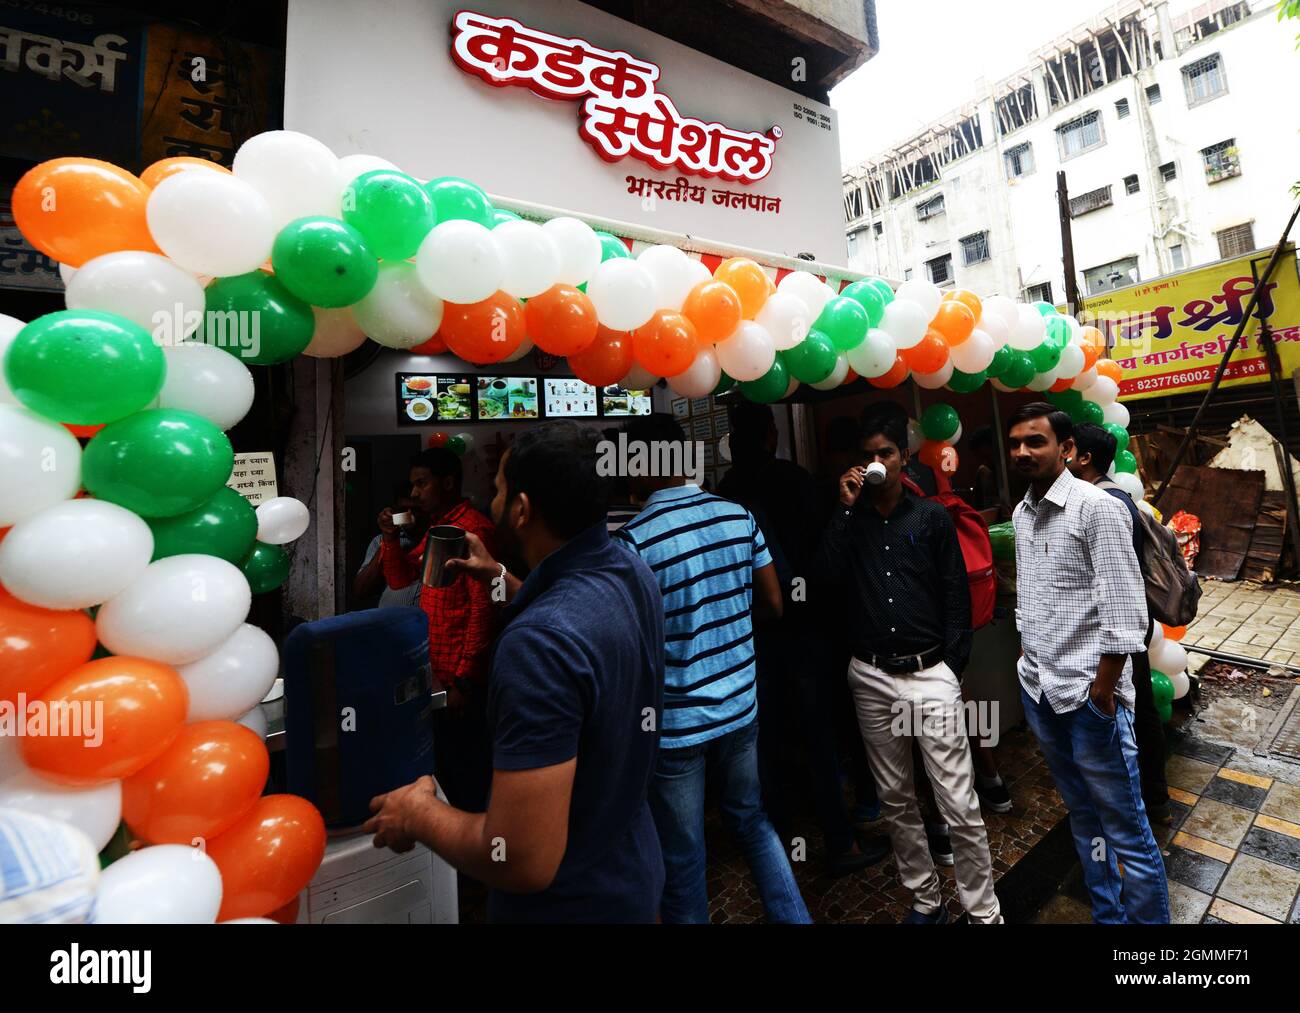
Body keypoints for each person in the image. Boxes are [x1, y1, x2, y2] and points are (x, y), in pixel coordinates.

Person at [365, 422, 666, 922]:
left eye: (501, 489)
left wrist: (418, 814)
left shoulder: (537, 647)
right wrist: (497, 578)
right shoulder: (628, 571)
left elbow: (521, 858)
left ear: (523, 509)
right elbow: (571, 612)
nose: (493, 499)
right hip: (631, 875)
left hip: (570, 908)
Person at [614, 413, 810, 924]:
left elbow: (628, 644)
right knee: (752, 822)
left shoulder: (633, 542)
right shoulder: (737, 515)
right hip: (742, 707)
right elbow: (773, 602)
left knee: (684, 857)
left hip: (677, 728)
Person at [813, 405, 1002, 924]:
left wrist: (950, 669)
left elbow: (955, 595)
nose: (876, 463)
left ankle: (984, 912)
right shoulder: (851, 520)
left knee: (958, 803)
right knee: (896, 801)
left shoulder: (931, 517)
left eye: (885, 454)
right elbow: (824, 579)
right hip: (870, 675)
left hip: (928, 673)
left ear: (902, 459)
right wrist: (844, 507)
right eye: (867, 455)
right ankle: (925, 902)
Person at [1008, 403, 1169, 924]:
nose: (1023, 452)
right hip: (1041, 691)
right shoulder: (1021, 513)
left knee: (1126, 830)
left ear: (1067, 449)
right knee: (1082, 817)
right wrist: (1027, 656)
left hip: (1088, 700)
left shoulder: (1095, 507)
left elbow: (1126, 614)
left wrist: (1102, 694)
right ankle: (1108, 917)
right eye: (1016, 444)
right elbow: (1033, 598)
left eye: (1036, 441)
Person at [721, 402, 888, 877]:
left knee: (768, 736)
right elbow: (827, 554)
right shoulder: (795, 481)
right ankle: (841, 839)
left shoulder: (728, 490)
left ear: (733, 440)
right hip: (807, 623)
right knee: (820, 732)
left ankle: (773, 836)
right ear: (772, 435)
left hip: (754, 630)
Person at [378, 448, 497, 812]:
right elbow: (400, 579)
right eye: (413, 485)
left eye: (422, 484)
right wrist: (388, 537)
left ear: (447, 483)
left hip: (462, 681)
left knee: (466, 775)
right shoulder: (436, 530)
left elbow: (484, 610)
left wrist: (465, 680)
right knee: (445, 768)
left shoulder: (474, 530)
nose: (414, 494)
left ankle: (475, 856)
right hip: (438, 676)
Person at [1068, 422, 1170, 824]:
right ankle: (1152, 798)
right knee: (1138, 706)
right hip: (1132, 621)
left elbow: (1111, 582)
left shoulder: (1101, 505)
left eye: (1068, 449)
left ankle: (1137, 804)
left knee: (1127, 709)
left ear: (1085, 458)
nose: (1063, 457)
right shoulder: (1122, 498)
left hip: (1119, 624)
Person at [354, 489, 424, 608]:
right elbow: (361, 590)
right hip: (390, 621)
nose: (410, 514)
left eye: (416, 510)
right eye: (403, 511)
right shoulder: (380, 541)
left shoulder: (434, 539)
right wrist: (388, 539)